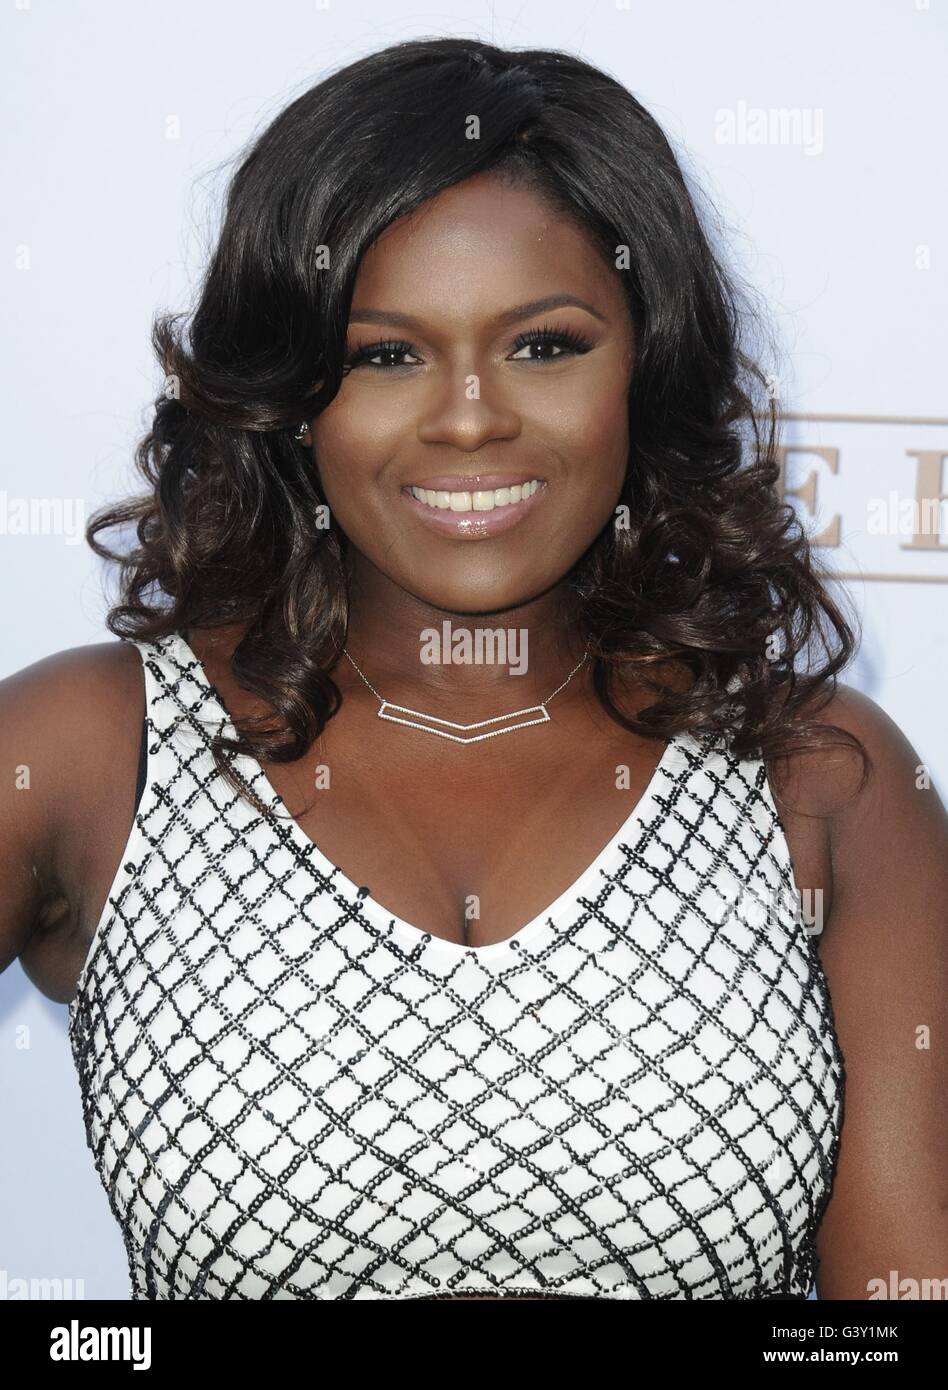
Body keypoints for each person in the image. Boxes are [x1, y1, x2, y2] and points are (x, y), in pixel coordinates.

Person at [2, 37, 946, 1302]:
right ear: (291, 396)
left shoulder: (821, 777)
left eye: (545, 345)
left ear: (646, 366)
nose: (467, 416)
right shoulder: (81, 750)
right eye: (386, 354)